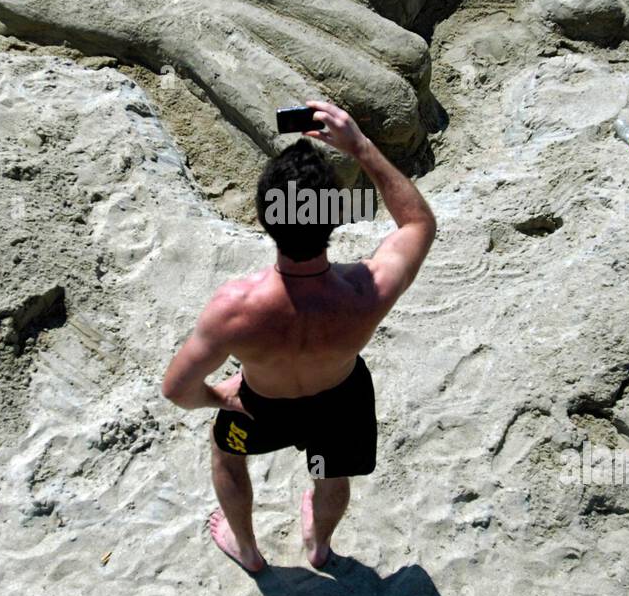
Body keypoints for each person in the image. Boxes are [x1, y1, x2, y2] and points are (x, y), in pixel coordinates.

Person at [161, 99, 437, 571]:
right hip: (340, 400)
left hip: (259, 405)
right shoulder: (365, 291)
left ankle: (248, 551)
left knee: (227, 456)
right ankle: (319, 546)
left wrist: (219, 399)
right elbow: (418, 223)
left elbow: (177, 390)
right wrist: (361, 147)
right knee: (331, 474)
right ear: (333, 217)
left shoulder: (236, 309)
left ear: (267, 219)